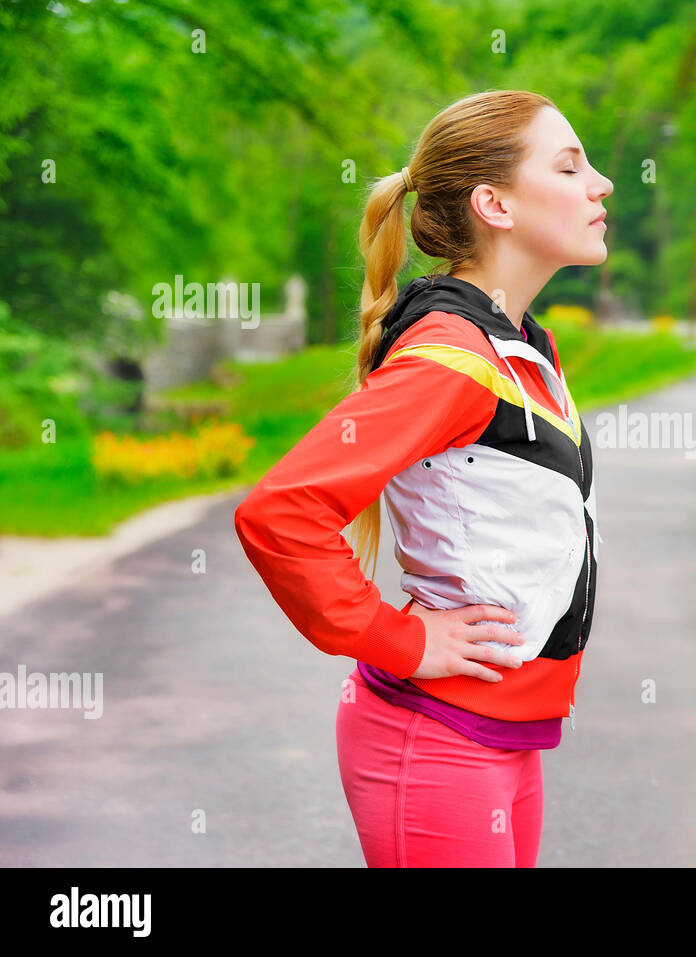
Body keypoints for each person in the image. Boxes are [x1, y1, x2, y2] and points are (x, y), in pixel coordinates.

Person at [232, 90, 613, 867]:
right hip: (438, 741)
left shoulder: (520, 348)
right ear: (494, 203)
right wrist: (398, 637)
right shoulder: (454, 359)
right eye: (570, 166)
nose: (601, 184)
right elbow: (281, 512)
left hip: (509, 739)